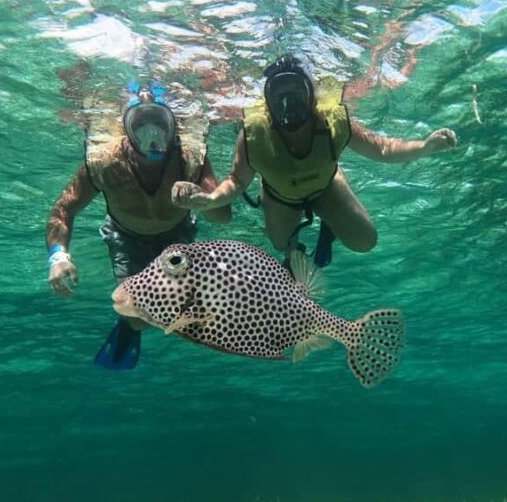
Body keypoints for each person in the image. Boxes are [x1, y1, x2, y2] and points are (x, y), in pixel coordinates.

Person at [171, 55, 457, 267]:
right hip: (279, 196)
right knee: (284, 246)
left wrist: (425, 146)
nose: (287, 103)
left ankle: (329, 224)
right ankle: (311, 234)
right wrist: (209, 200)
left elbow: (381, 149)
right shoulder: (254, 134)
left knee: (365, 241)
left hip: (327, 185)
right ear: (267, 101)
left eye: (295, 92)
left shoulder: (333, 122)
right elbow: (236, 181)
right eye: (278, 94)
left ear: (311, 96)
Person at [46, 82, 230, 369]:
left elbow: (223, 216)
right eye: (141, 124)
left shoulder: (190, 159)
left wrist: (204, 201)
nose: (152, 134)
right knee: (137, 318)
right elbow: (63, 209)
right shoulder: (106, 163)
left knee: (183, 310)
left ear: (173, 127)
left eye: (159, 123)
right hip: (126, 237)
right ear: (127, 131)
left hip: (177, 234)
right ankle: (129, 328)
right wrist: (58, 257)